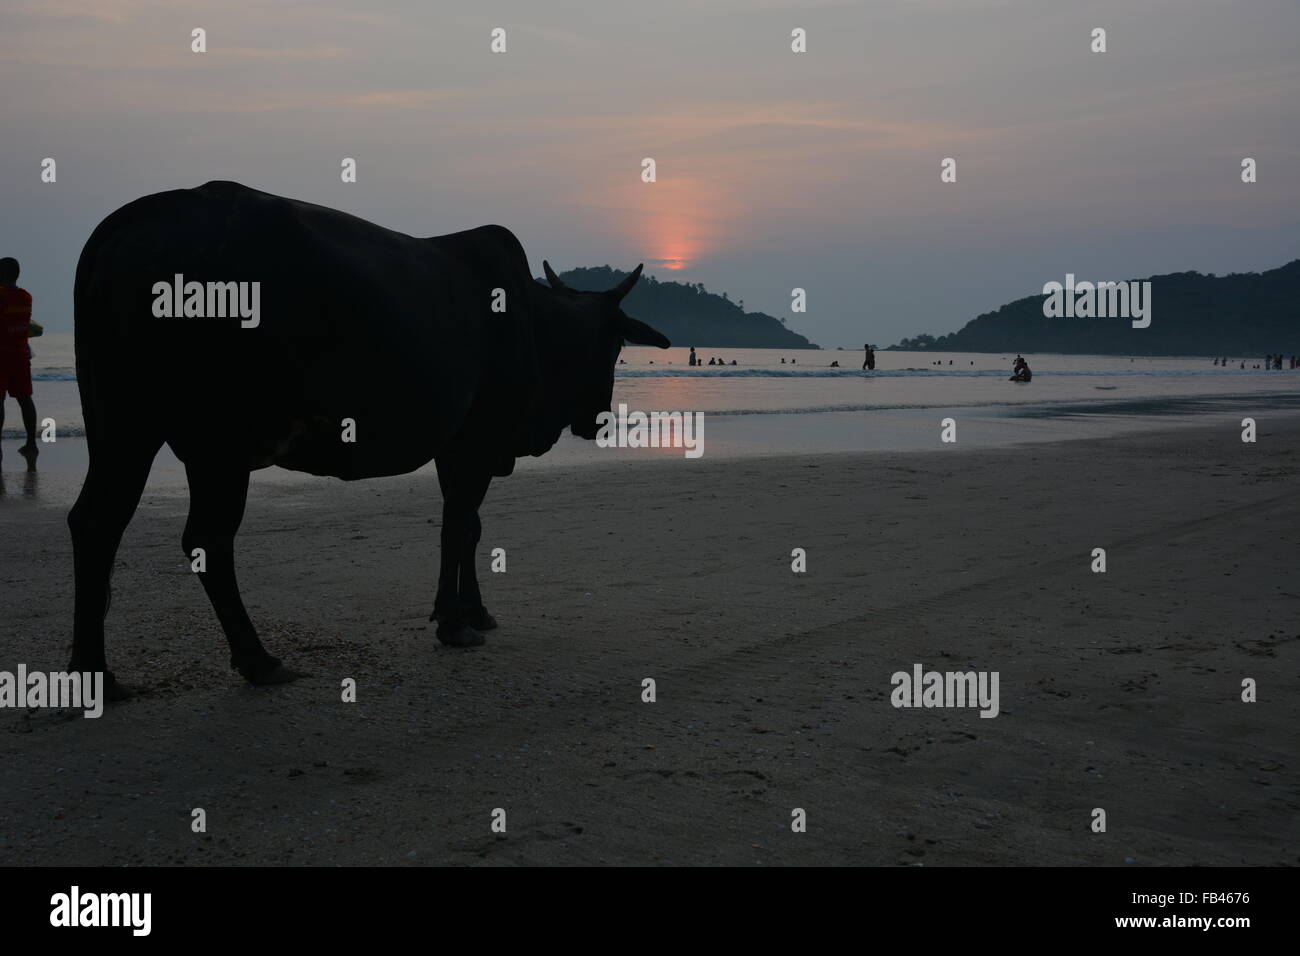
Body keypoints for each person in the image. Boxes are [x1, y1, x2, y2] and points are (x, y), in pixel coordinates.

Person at [0, 257, 40, 462]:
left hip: (1, 354)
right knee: (25, 399)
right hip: (21, 355)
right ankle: (31, 443)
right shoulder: (26, 297)